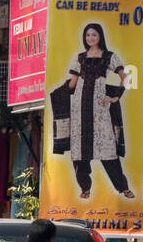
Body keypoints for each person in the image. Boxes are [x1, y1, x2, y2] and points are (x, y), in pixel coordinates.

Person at [58, 23, 135, 201]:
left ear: (100, 36)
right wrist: (58, 93)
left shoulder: (109, 56)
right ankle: (85, 188)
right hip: (79, 109)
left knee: (107, 148)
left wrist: (115, 97)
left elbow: (126, 77)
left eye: (94, 34)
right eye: (88, 35)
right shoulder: (80, 57)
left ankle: (123, 187)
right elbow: (73, 83)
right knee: (80, 151)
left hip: (99, 108)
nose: (90, 38)